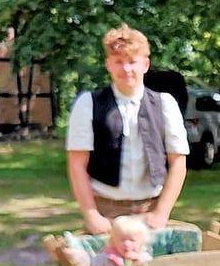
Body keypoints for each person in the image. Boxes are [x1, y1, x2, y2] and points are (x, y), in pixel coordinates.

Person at [66, 24, 190, 235]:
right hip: (105, 209)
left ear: (145, 64)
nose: (126, 69)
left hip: (149, 209)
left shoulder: (165, 104)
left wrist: (161, 212)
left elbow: (178, 162)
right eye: (119, 62)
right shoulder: (88, 104)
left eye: (132, 62)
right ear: (108, 65)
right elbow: (77, 164)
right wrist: (92, 215)